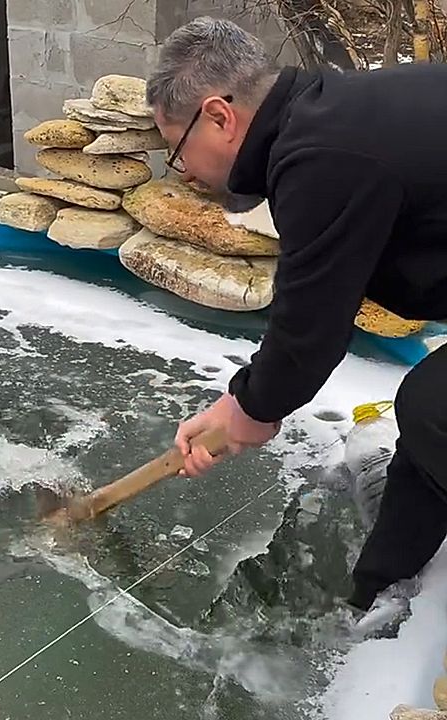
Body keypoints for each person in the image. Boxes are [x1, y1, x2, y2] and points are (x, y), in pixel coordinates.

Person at [149, 17, 447, 612]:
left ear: (219, 117)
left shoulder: (321, 156)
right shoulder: (332, 116)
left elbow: (309, 326)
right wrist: (242, 403)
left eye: (176, 151)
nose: (181, 171)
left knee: (435, 411)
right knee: (430, 410)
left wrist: (254, 409)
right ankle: (375, 590)